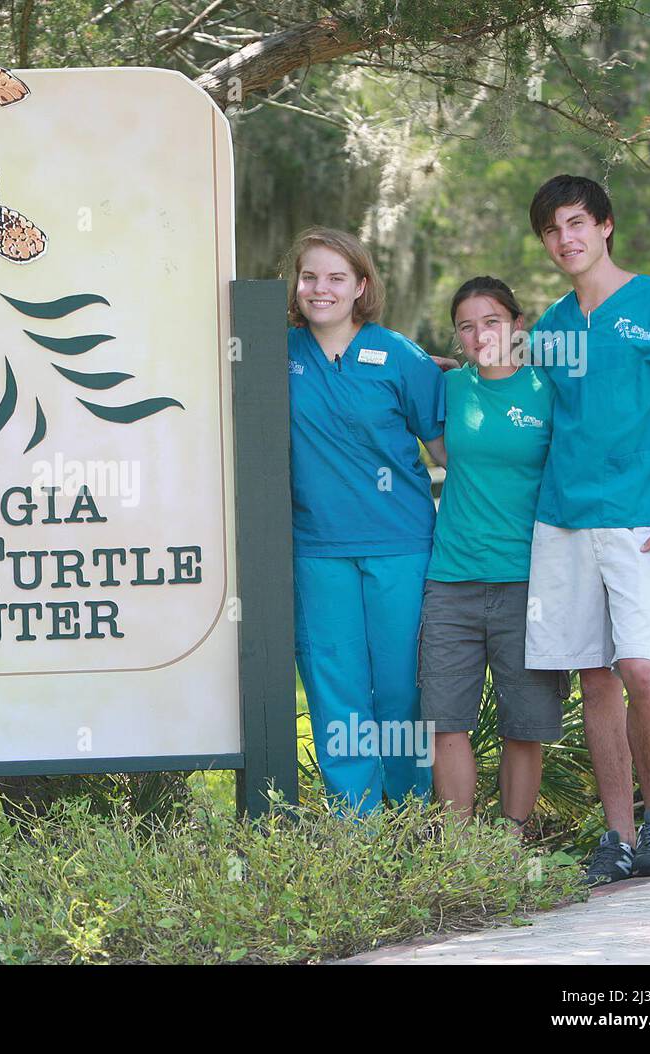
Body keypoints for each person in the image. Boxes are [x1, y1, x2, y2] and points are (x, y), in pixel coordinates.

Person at [523, 175, 650, 885]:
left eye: (576, 223)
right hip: (564, 520)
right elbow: (522, 408)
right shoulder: (550, 328)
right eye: (551, 230)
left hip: (640, 519)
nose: (565, 239)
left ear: (605, 225)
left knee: (638, 667)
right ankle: (618, 834)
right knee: (594, 679)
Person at [286, 226, 443, 814]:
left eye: (335, 278)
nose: (319, 289)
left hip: (401, 543)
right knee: (336, 689)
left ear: (361, 286)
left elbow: (449, 451)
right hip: (317, 549)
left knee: (404, 687)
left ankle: (411, 817)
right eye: (309, 277)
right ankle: (357, 834)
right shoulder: (274, 354)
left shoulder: (399, 355)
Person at [418, 277, 566, 829]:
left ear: (517, 325)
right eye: (466, 325)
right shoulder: (451, 387)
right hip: (451, 579)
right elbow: (409, 368)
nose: (479, 334)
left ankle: (508, 843)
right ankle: (463, 853)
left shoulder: (547, 388)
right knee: (444, 720)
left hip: (529, 582)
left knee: (525, 721)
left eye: (491, 321)